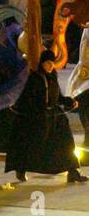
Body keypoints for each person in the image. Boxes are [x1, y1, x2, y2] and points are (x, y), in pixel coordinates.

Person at [5, 49, 87, 184]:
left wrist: (69, 102)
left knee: (66, 144)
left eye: (52, 63)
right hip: (36, 119)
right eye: (47, 63)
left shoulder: (52, 77)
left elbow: (57, 97)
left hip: (54, 119)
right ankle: (21, 168)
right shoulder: (33, 79)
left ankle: (72, 171)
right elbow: (26, 99)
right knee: (32, 146)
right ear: (41, 64)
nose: (50, 66)